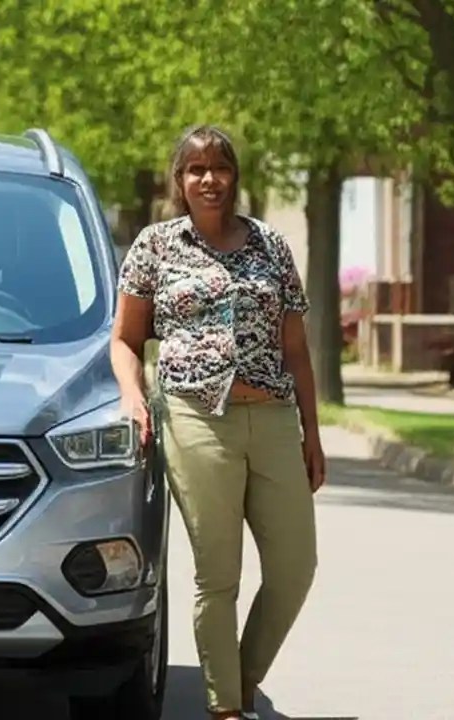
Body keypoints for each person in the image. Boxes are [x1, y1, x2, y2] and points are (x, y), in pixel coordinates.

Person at [110, 125, 324, 720]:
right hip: (195, 419)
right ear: (179, 180)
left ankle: (241, 678)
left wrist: (313, 432)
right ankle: (226, 709)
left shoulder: (271, 247)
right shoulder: (154, 247)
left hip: (274, 416)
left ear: (235, 176)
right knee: (218, 574)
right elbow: (125, 340)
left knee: (294, 568)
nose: (210, 179)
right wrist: (133, 394)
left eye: (220, 168)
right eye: (196, 169)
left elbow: (297, 350)